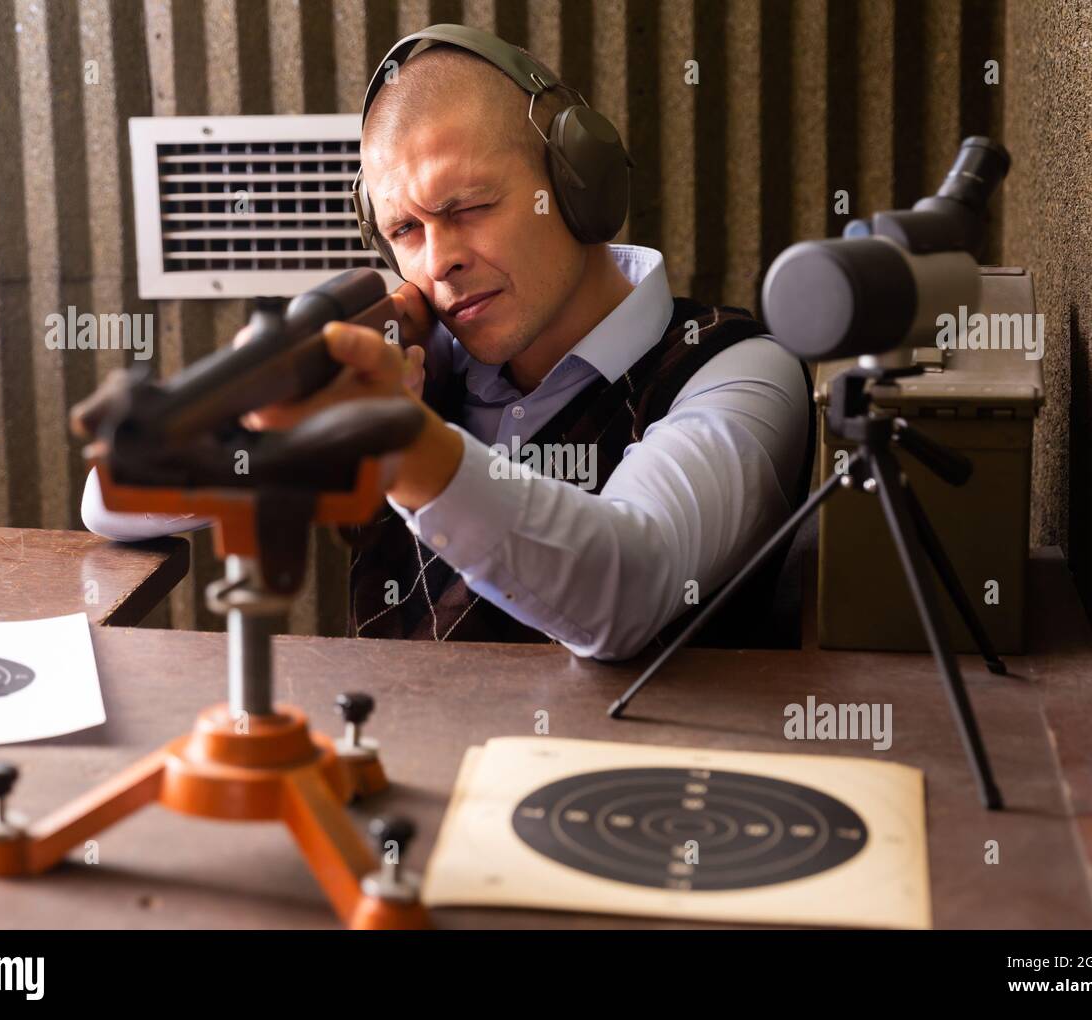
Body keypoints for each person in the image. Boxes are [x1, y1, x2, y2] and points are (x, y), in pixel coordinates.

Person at [83, 24, 810, 661]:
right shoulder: (408, 357)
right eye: (406, 231)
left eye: (469, 208)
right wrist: (274, 406)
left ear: (575, 183)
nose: (439, 260)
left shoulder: (738, 373)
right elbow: (111, 500)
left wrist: (400, 444)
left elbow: (627, 590)